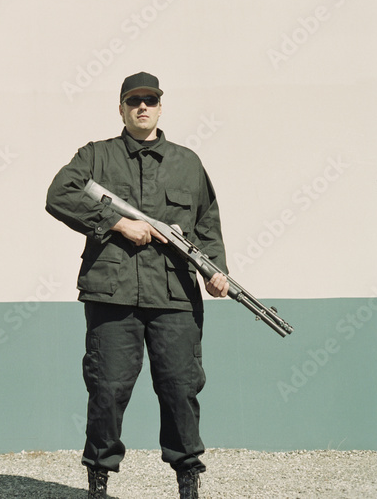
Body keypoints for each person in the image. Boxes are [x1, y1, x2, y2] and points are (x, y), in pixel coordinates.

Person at [45, 72, 228, 499]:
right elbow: (59, 194)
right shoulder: (96, 156)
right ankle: (99, 479)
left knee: (181, 389)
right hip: (113, 292)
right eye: (134, 101)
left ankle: (188, 480)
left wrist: (214, 271)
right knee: (107, 389)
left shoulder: (187, 162)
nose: (142, 107)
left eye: (150, 100)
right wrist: (117, 222)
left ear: (161, 107)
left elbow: (206, 224)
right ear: (122, 108)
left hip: (175, 296)